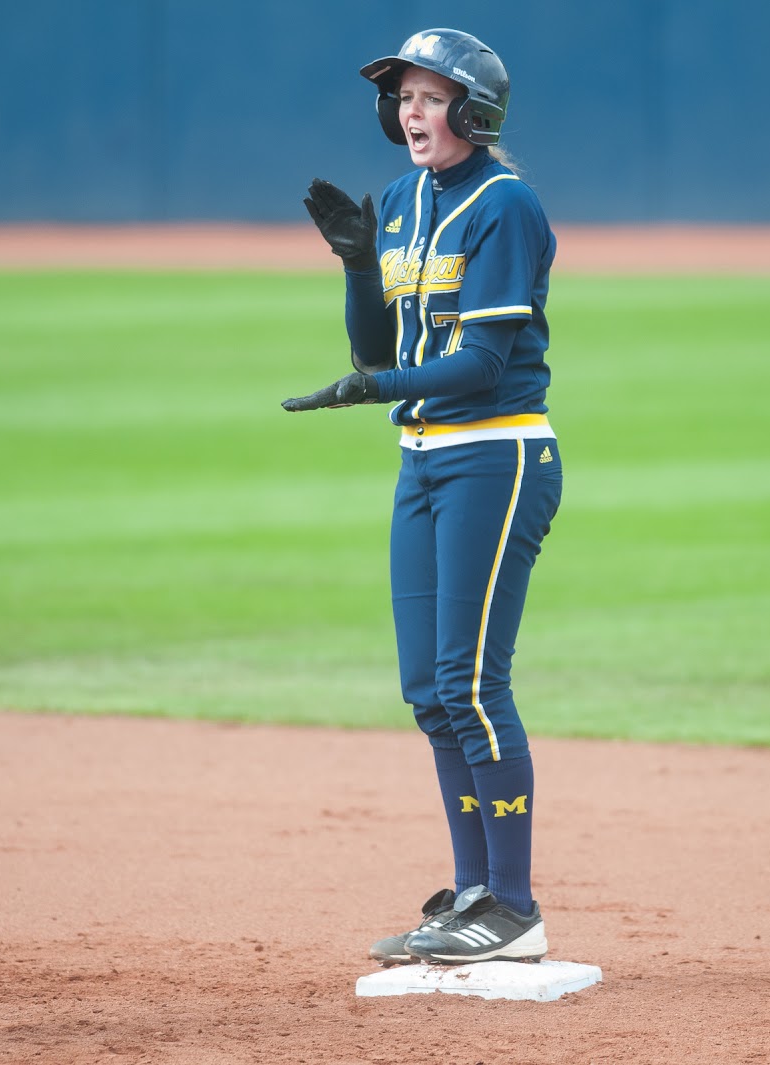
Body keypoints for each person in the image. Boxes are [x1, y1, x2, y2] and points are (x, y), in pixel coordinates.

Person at [283, 28, 563, 964]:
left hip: (497, 454)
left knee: (474, 685)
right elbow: (380, 351)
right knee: (430, 691)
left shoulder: (505, 205)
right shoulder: (403, 201)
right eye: (402, 96)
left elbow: (481, 366)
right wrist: (360, 264)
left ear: (475, 112)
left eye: (431, 95)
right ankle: (473, 891)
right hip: (423, 459)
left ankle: (514, 906)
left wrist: (370, 389)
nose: (411, 111)